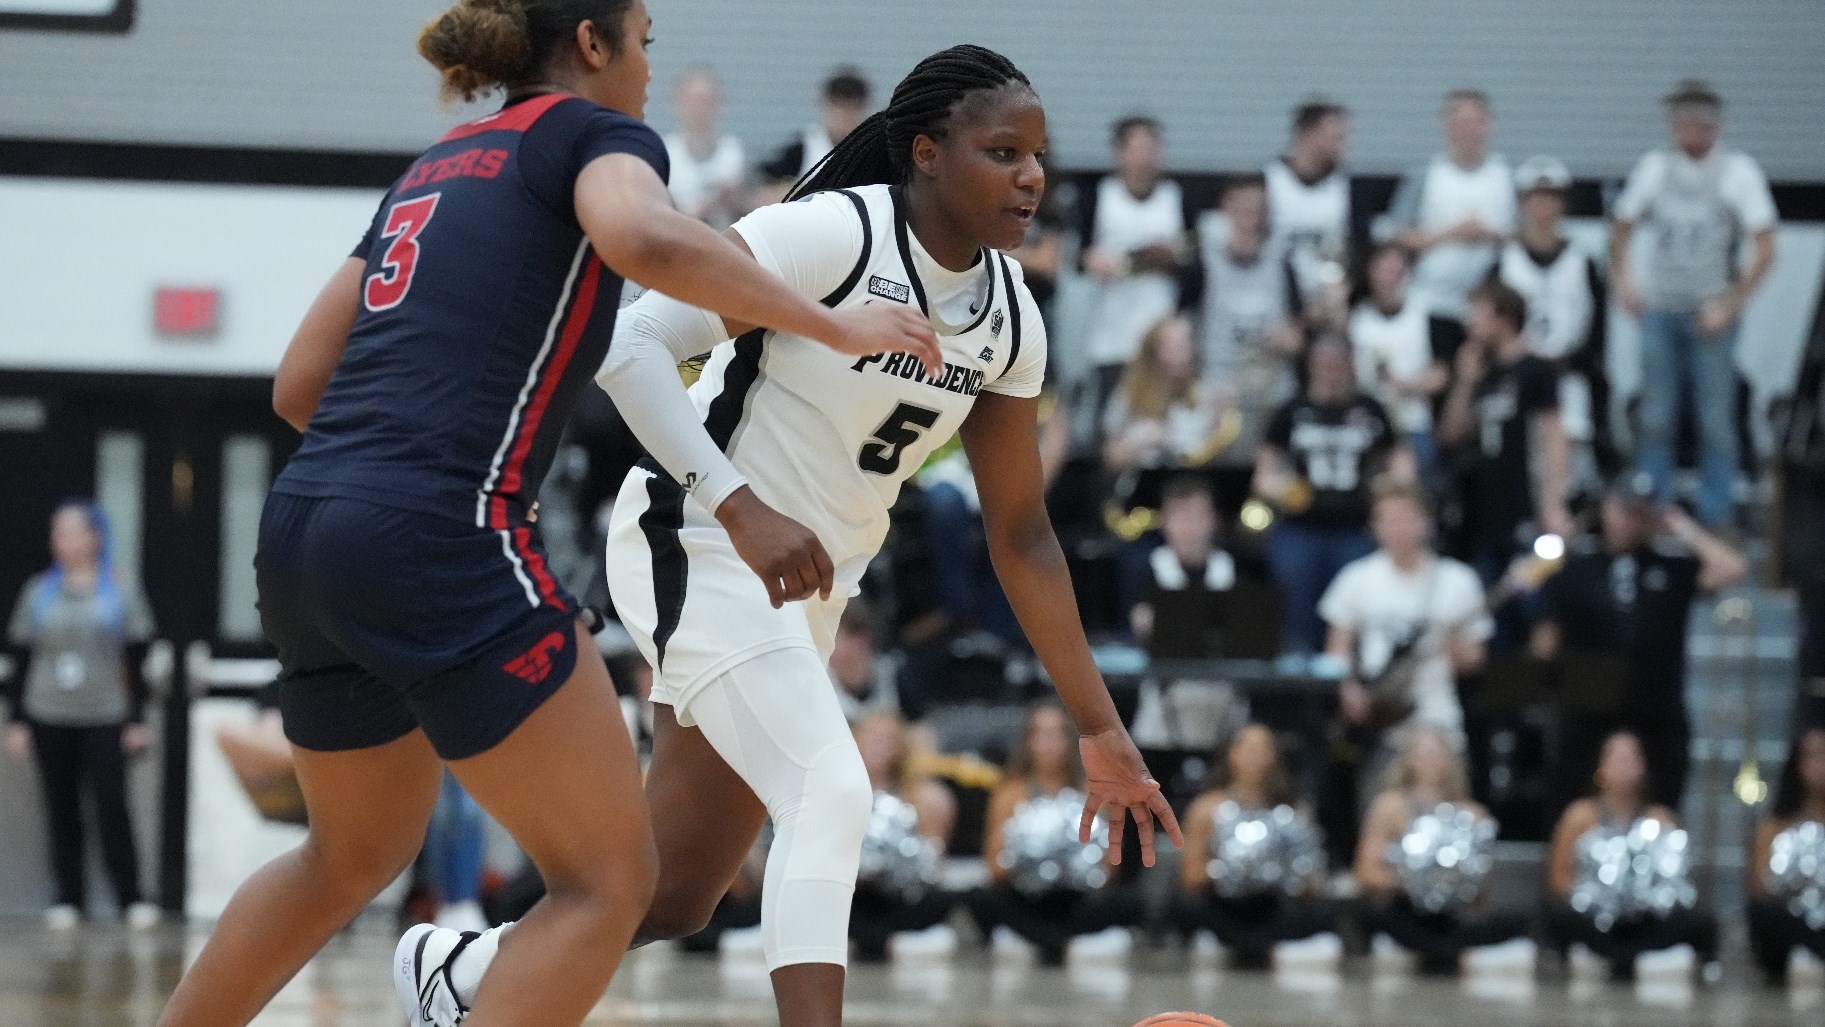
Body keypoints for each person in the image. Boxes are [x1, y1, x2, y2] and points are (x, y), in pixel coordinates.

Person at [154, 2, 941, 1024]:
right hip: (445, 530)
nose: (650, 69)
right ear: (590, 44)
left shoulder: (439, 162)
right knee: (610, 880)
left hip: (307, 524)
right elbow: (640, 232)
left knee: (347, 853)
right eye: (645, 40)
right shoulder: (591, 134)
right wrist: (828, 321)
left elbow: (300, 384)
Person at [402, 44, 1178, 1027]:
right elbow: (630, 347)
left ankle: (457, 969)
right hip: (696, 535)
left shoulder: (1011, 320)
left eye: (1038, 155)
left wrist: (1099, 728)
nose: (1031, 175)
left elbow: (1021, 536)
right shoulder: (830, 235)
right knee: (833, 789)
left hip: (804, 589)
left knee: (673, 891)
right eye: (1003, 151)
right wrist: (739, 505)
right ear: (929, 153)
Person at [1612, 80, 1779, 528]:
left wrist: (1730, 303)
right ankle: (1653, 509)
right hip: (1661, 309)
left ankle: (1715, 514)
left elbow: (1765, 246)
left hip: (1711, 313)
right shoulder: (1654, 169)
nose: (1687, 132)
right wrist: (1625, 280)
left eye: (1696, 123)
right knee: (1655, 417)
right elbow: (1622, 224)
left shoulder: (1736, 172)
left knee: (1715, 421)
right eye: (1680, 123)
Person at [1531, 474, 1748, 814]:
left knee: (1661, 811)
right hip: (1586, 710)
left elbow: (1731, 568)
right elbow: (1543, 635)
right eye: (1622, 510)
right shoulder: (1574, 567)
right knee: (1573, 811)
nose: (1629, 520)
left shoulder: (1672, 569)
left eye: (1638, 512)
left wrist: (1678, 524)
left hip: (1655, 711)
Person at [4, 500, 160, 931]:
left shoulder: (119, 589)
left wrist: (136, 719)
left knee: (112, 804)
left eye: (73, 532)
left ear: (96, 538)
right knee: (60, 806)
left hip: (105, 712)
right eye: (58, 533)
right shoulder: (39, 592)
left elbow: (135, 657)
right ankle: (67, 896)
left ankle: (131, 896)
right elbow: (22, 657)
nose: (64, 541)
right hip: (48, 710)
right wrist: (18, 721)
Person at [1321, 480, 1491, 798]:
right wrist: (1349, 690)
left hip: (1438, 718)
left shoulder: (1457, 581)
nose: (1395, 527)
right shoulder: (1356, 578)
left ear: (1425, 522)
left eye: (1404, 517)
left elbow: (1476, 658)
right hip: (1379, 719)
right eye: (1386, 519)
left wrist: (1456, 651)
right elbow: (1336, 652)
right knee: (1379, 816)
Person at [1255, 338, 1407, 655]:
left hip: (1357, 525)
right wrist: (1283, 490)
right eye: (1323, 365)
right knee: (1294, 590)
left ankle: (1355, 669)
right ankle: (1297, 669)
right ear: (1311, 367)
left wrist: (1386, 488)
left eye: (1338, 365)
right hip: (1302, 526)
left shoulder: (1370, 409)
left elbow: (1401, 464)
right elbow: (1264, 476)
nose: (1331, 373)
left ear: (1350, 366)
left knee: (1359, 601)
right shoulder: (1292, 410)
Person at [967, 705, 1147, 965]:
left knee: (1131, 901)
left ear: (1071, 741)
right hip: (1028, 899)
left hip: (1078, 899)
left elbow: (1110, 867)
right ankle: (1056, 940)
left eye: (1056, 734)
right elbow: (995, 867)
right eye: (1040, 735)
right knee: (979, 898)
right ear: (1027, 742)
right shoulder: (1009, 794)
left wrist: (1073, 866)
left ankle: (1048, 940)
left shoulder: (1097, 792)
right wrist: (1032, 863)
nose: (1049, 744)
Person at [1542, 730, 1719, 980]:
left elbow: (1678, 880)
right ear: (1601, 767)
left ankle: (1633, 957)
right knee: (1558, 917)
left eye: (1629, 759)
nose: (1622, 767)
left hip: (1647, 921)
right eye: (1615, 759)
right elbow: (1558, 879)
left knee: (1701, 922)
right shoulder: (1579, 816)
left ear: (1642, 767)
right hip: (1595, 920)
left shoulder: (1661, 818)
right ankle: (1619, 957)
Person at [1355, 726, 1532, 974]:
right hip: (1406, 911)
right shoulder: (1390, 806)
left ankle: (1443, 950)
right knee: (1367, 914)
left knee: (1519, 921)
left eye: (1437, 754)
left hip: (1454, 916)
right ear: (1408, 760)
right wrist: (1413, 882)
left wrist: (1455, 885)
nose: (1430, 762)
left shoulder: (1473, 813)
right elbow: (1365, 873)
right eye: (1423, 754)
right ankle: (1440, 951)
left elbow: (1483, 886)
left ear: (1451, 762)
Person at [1176, 724, 1340, 969]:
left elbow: (1313, 879)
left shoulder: (1293, 810)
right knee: (1183, 910)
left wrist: (1281, 872)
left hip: (1274, 907)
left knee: (1326, 916)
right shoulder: (1205, 809)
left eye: (1261, 749)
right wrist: (1230, 869)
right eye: (1247, 748)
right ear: (1232, 754)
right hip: (1223, 907)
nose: (1254, 757)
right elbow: (1189, 877)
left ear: (1273, 757)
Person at [1438, 280, 1571, 582]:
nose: (1470, 322)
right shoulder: (1481, 373)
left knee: (1530, 595)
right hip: (1481, 506)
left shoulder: (1535, 371)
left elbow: (1554, 439)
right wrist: (1465, 382)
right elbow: (1451, 435)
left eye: (1479, 313)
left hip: (1523, 501)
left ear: (1506, 320)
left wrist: (1553, 503)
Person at [1375, 89, 1516, 354]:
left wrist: (1488, 235)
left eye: (1474, 122)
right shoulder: (1426, 176)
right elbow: (1398, 235)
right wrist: (1451, 234)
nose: (1467, 131)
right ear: (1445, 127)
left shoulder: (1506, 177)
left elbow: (1521, 237)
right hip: (1432, 301)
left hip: (1490, 310)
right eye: (1459, 123)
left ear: (1489, 125)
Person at [1496, 156, 1607, 487]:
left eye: (1551, 198)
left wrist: (1574, 361)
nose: (1543, 207)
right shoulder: (1505, 260)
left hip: (1567, 378)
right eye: (1535, 198)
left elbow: (1597, 327)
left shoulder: (1582, 260)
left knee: (1569, 466)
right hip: (1519, 379)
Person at [1079, 116, 1196, 412]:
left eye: (1152, 148)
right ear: (1119, 153)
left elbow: (1196, 263)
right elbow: (1077, 257)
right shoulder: (1099, 197)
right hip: (1111, 336)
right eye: (1138, 148)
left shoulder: (1177, 198)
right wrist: (1093, 261)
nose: (1145, 158)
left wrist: (1171, 259)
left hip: (1161, 339)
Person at [1189, 173, 1301, 464]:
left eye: (1258, 209)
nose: (1251, 217)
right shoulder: (1203, 257)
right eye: (1243, 208)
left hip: (1271, 392)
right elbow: (1181, 324)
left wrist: (1288, 338)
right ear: (1226, 208)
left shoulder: (1282, 259)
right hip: (1218, 390)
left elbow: (1299, 331)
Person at [848, 711, 959, 961]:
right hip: (850, 895)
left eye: (888, 739)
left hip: (900, 897)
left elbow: (934, 863)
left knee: (944, 901)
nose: (880, 747)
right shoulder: (833, 792)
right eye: (873, 738)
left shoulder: (927, 798)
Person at [1349, 243, 1448, 477]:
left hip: (1413, 423)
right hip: (1366, 424)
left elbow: (1441, 375)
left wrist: (1408, 385)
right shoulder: (1356, 317)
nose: (1389, 279)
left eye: (1396, 271)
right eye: (1383, 271)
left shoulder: (1424, 315)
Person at [1748, 724, 1825, 985]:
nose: (1820, 764)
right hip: (1796, 920)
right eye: (1813, 755)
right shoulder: (1774, 826)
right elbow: (1760, 888)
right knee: (1762, 914)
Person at [1102, 314, 1226, 475]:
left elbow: (1214, 458)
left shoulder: (1203, 394)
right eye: (1177, 345)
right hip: (1141, 483)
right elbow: (1111, 459)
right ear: (1154, 351)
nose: (1186, 352)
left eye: (1188, 342)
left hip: (1188, 481)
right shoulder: (1129, 394)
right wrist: (1137, 441)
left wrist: (1218, 422)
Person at [1266, 99, 1351, 312]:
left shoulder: (1343, 188)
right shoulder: (1271, 184)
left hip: (1325, 300)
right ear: (1308, 135)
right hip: (1277, 297)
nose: (1343, 146)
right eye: (1335, 138)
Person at [754, 67, 872, 201]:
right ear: (825, 106)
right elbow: (762, 196)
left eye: (852, 109)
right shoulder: (802, 149)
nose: (844, 117)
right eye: (839, 107)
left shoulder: (873, 151)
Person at [662, 66, 746, 229]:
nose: (700, 109)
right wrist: (713, 200)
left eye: (707, 101)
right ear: (678, 103)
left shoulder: (732, 151)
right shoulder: (665, 152)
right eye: (694, 100)